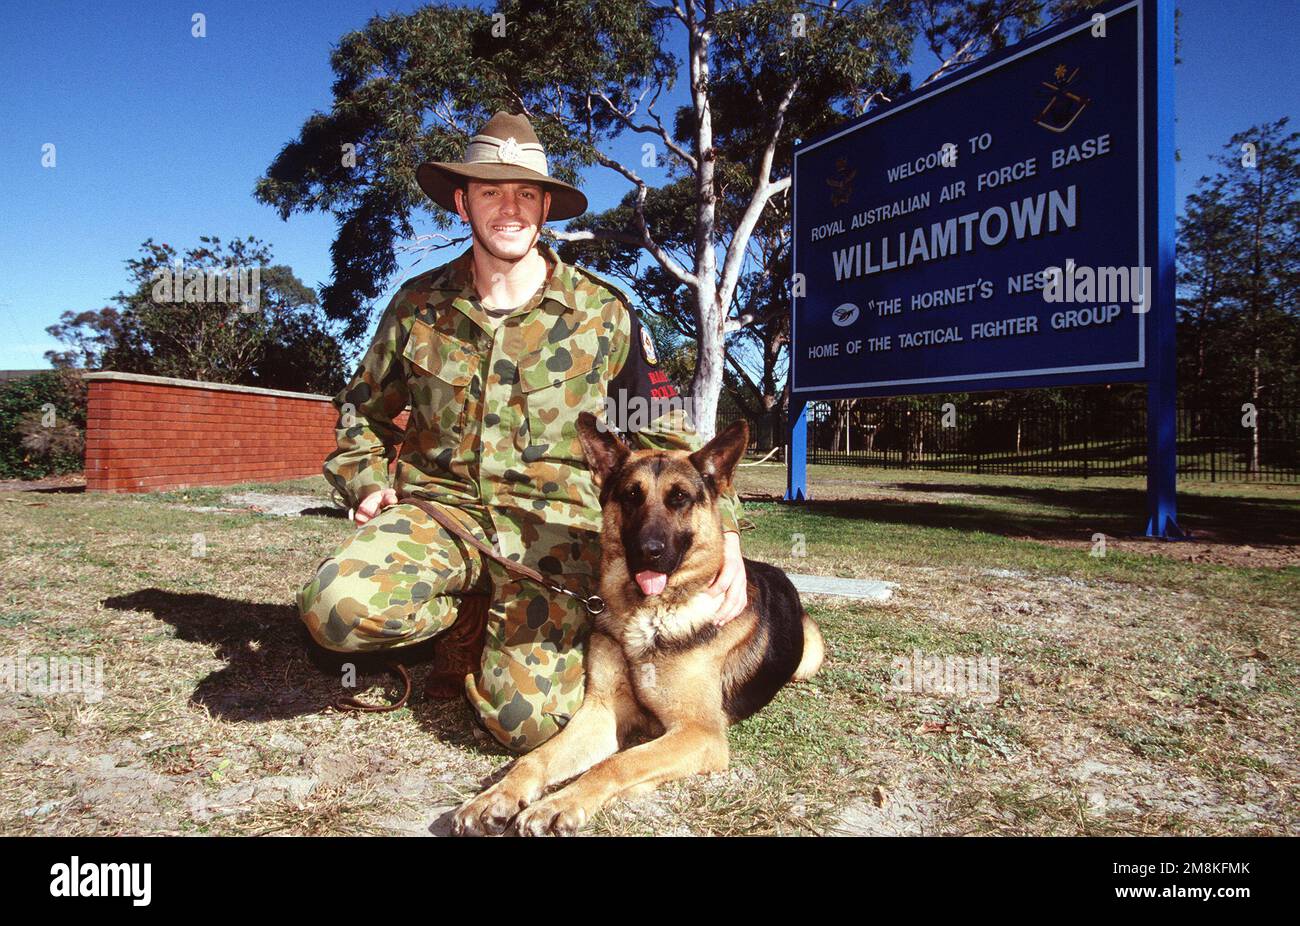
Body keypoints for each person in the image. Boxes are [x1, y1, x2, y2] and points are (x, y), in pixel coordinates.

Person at [296, 111, 755, 752]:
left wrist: (726, 532)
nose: (509, 208)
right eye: (490, 191)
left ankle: (487, 630)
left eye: (525, 193)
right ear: (463, 202)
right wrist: (367, 482)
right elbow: (360, 416)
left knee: (528, 726)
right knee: (335, 610)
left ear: (545, 207)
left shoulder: (604, 313)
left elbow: (668, 433)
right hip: (440, 516)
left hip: (550, 538)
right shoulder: (414, 307)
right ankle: (453, 618)